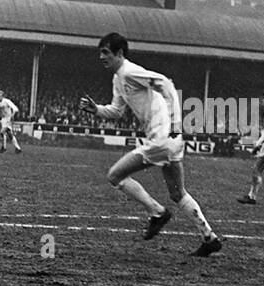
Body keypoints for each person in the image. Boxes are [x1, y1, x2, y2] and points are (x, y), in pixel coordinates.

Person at [78, 33, 223, 257]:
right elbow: (116, 111)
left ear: (120, 54)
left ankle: (157, 212)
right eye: (100, 52)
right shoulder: (118, 79)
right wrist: (97, 110)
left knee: (115, 175)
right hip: (171, 140)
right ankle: (209, 238)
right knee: (178, 193)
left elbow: (166, 83)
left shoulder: (129, 71)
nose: (101, 57)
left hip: (163, 139)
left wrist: (175, 122)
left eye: (105, 52)